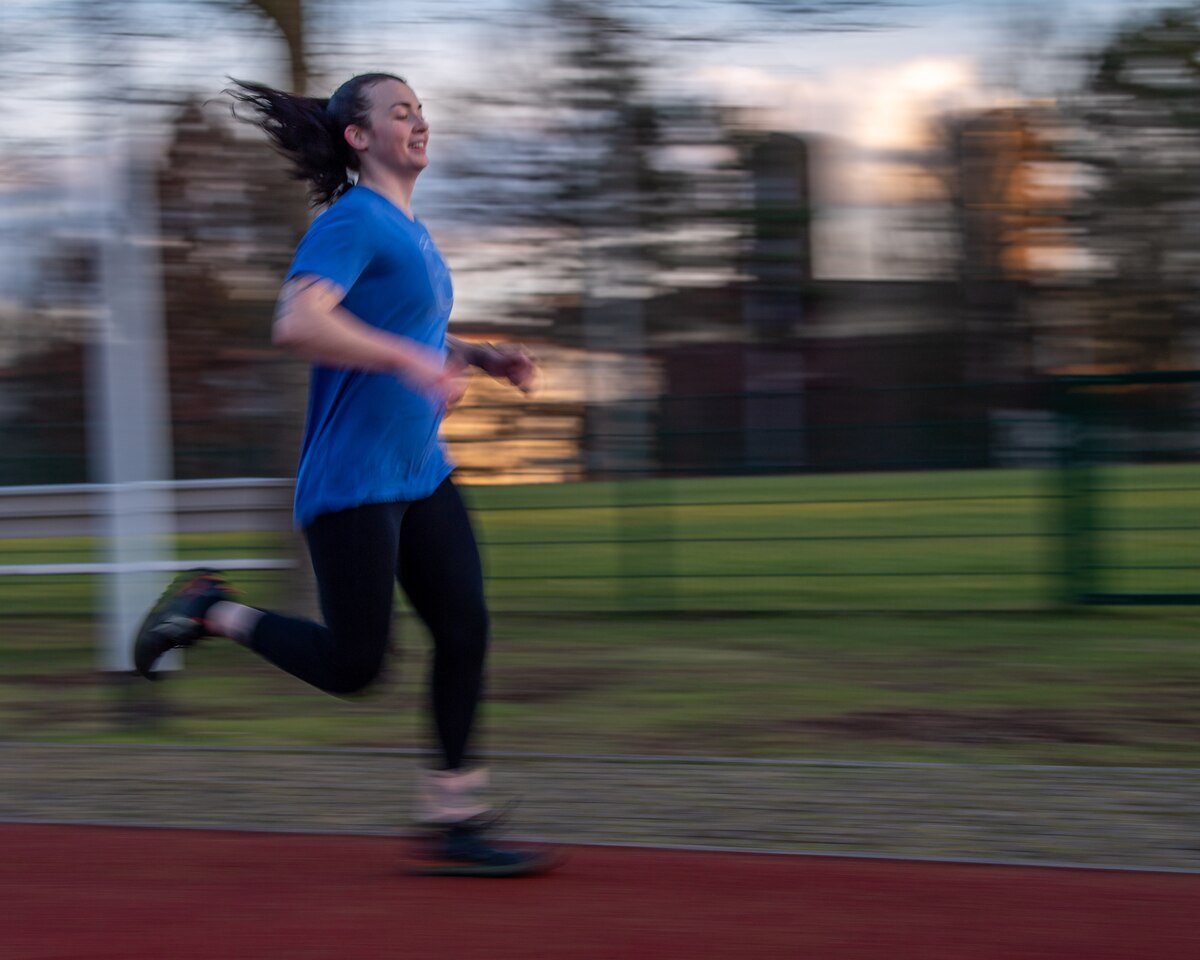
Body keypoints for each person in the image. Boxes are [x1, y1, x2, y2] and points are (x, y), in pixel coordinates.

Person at [132, 72, 558, 877]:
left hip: (418, 470)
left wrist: (476, 355)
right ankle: (211, 610)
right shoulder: (353, 220)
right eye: (402, 112)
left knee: (465, 628)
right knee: (356, 667)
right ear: (359, 138)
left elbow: (405, 325)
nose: (420, 122)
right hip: (354, 478)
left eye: (422, 110)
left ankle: (454, 817)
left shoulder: (410, 230)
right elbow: (298, 322)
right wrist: (408, 359)